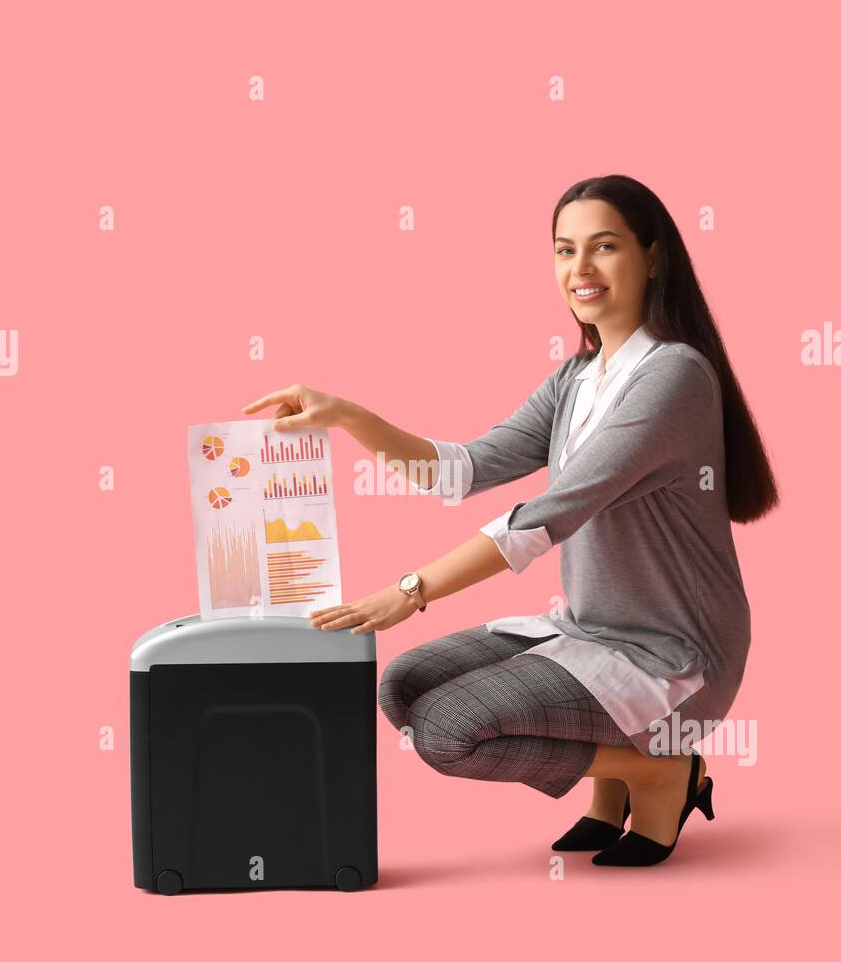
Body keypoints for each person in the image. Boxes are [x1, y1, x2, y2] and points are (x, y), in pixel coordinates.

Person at [242, 174, 779, 867]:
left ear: (652, 257)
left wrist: (410, 591)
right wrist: (345, 416)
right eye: (564, 250)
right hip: (588, 630)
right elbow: (461, 469)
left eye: (604, 247)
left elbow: (548, 515)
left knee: (447, 730)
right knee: (404, 685)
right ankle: (612, 783)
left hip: (673, 656)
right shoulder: (577, 378)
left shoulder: (674, 377)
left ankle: (661, 772)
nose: (579, 269)